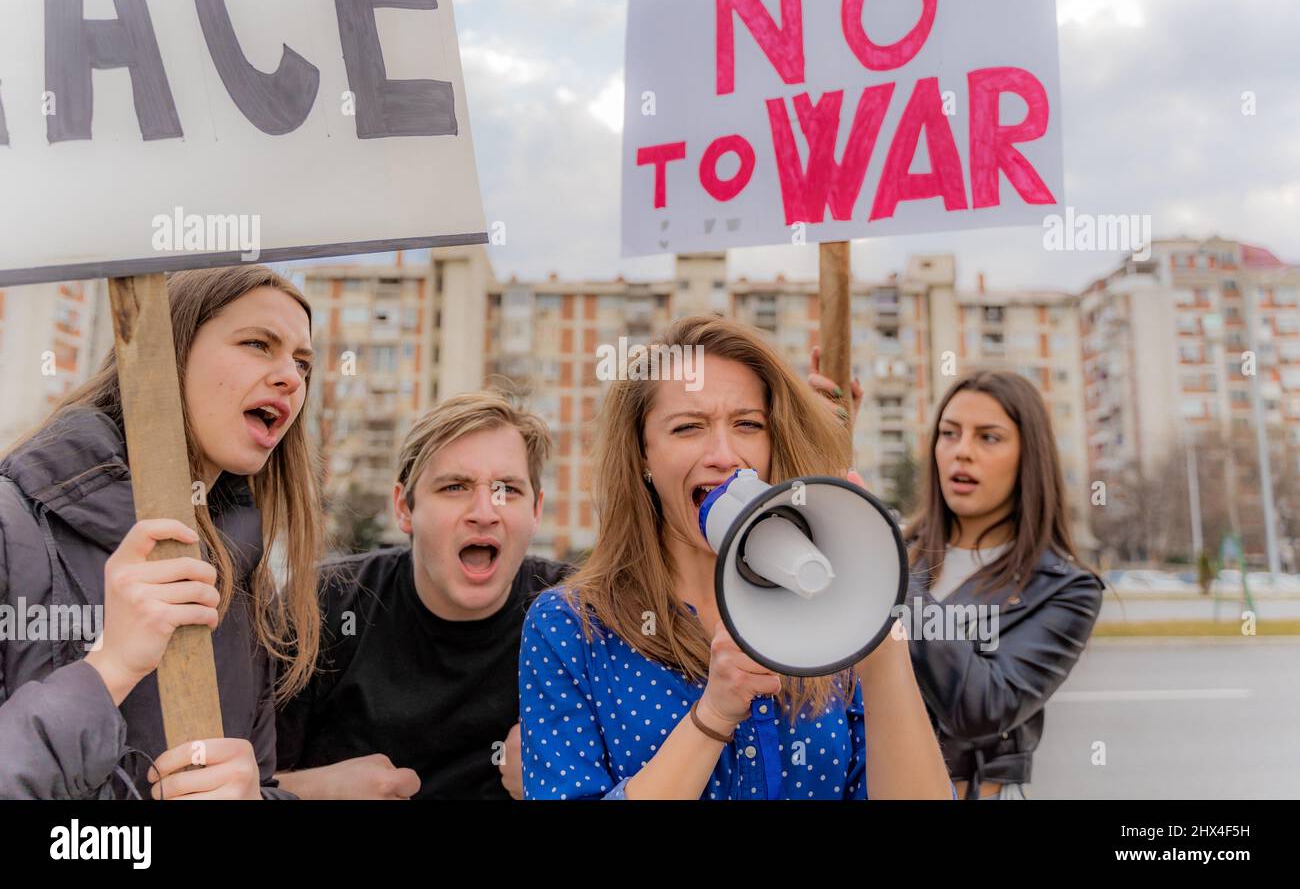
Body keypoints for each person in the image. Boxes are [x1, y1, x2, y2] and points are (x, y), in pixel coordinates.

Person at [519, 316, 954, 799]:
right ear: (642, 455)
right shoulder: (570, 627)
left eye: (748, 424)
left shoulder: (832, 615)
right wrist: (714, 715)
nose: (724, 455)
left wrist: (881, 640)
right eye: (688, 427)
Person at [0, 266, 323, 799]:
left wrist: (252, 795)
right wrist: (110, 668)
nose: (291, 376)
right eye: (258, 344)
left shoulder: (242, 571)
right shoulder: (13, 527)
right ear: (164, 350)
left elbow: (258, 777)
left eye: (302, 362)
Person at [275, 392, 568, 799]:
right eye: (454, 487)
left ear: (536, 511)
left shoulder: (579, 616)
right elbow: (231, 781)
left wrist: (563, 784)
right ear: (404, 508)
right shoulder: (322, 605)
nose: (484, 511)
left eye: (507, 489)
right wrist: (315, 790)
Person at [893, 370, 1104, 799]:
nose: (962, 452)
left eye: (988, 438)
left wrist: (886, 574)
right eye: (949, 433)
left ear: (1029, 456)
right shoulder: (899, 551)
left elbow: (982, 707)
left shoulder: (1064, 590)